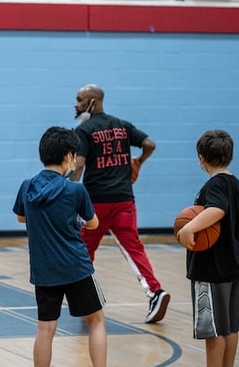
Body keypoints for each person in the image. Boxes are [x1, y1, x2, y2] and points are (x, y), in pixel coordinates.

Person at [14, 126, 113, 367]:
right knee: (96, 320)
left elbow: (22, 217)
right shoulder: (75, 189)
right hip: (76, 267)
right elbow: (93, 224)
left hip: (44, 271)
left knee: (45, 329)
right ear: (69, 157)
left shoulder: (27, 186)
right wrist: (76, 222)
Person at [70, 84, 171, 323]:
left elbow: (79, 164)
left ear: (92, 103)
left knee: (84, 250)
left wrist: (70, 192)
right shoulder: (123, 126)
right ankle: (155, 292)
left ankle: (87, 298)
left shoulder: (84, 130)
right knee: (134, 248)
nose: (76, 104)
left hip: (97, 204)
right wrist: (140, 162)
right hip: (125, 200)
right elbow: (150, 144)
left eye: (79, 99)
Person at [175, 130, 239, 367]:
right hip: (231, 265)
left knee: (213, 328)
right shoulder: (238, 186)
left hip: (212, 267)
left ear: (201, 158)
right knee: (230, 326)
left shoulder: (215, 186)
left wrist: (188, 230)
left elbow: (216, 210)